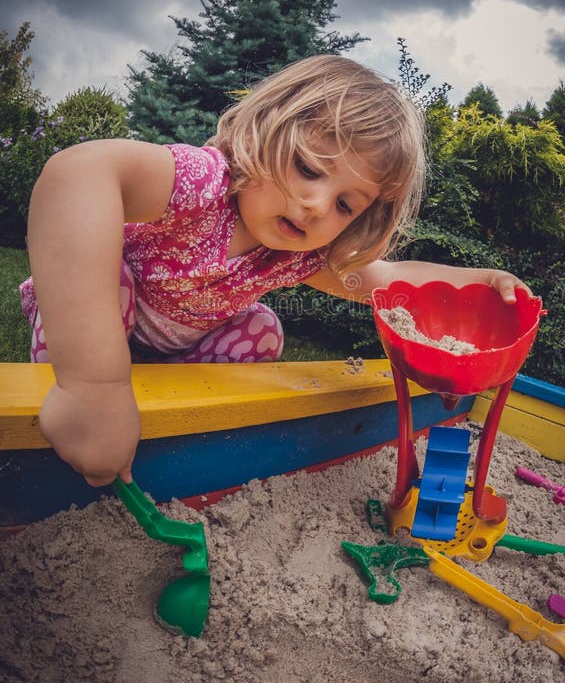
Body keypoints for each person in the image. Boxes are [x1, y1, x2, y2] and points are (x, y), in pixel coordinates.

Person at [21, 55, 531, 489]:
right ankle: (92, 401)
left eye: (345, 204)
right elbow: (77, 172)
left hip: (174, 350)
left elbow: (383, 279)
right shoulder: (205, 182)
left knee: (261, 330)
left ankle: (161, 419)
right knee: (112, 281)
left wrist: (477, 281)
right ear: (265, 132)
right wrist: (95, 385)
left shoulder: (300, 255)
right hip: (95, 329)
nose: (315, 205)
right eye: (309, 169)